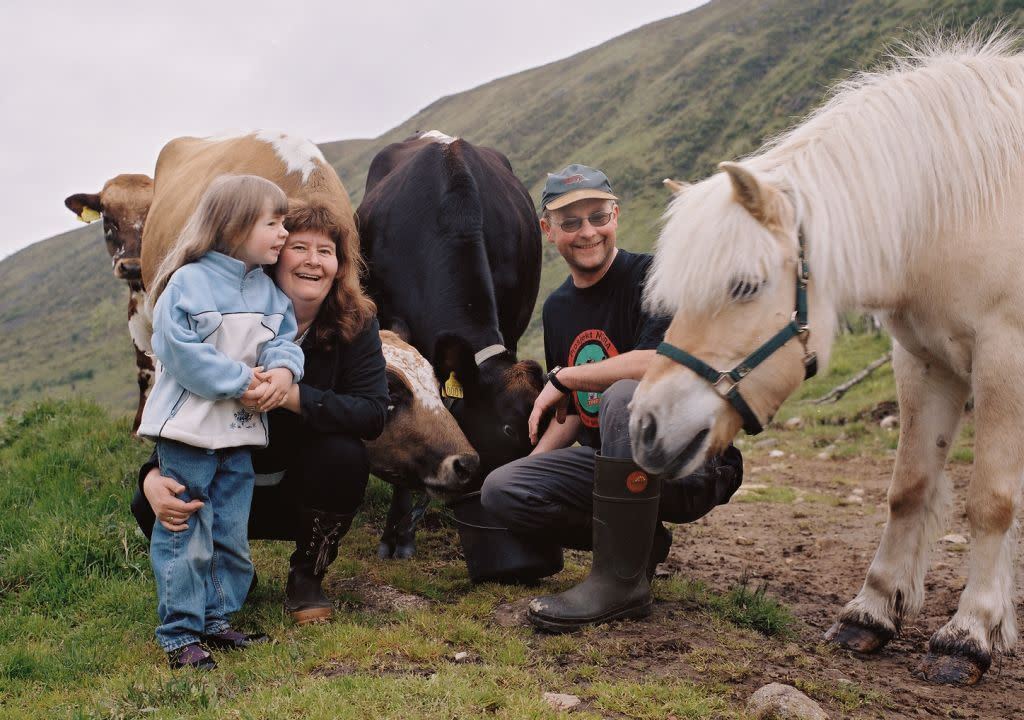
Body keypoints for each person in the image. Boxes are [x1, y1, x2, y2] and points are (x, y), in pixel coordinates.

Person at [479, 164, 743, 632]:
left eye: (598, 217)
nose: (587, 232)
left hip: (690, 461)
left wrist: (565, 376)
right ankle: (639, 548)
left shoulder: (655, 277)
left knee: (623, 394)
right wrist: (533, 469)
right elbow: (575, 409)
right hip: (613, 470)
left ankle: (621, 583)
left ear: (615, 216)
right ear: (548, 230)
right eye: (570, 222)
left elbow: (662, 362)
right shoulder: (558, 308)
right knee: (501, 489)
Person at [132, 197, 387, 651]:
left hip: (300, 488)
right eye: (299, 247)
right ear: (274, 255)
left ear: (340, 264)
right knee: (151, 501)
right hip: (225, 473)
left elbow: (372, 413)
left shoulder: (357, 322)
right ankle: (212, 597)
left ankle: (307, 574)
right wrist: (151, 475)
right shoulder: (233, 311)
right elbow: (188, 397)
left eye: (326, 251)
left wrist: (291, 395)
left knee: (345, 455)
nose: (312, 261)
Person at [137, 175, 306, 670]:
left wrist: (281, 372)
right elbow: (178, 351)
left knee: (230, 529)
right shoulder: (187, 282)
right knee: (185, 528)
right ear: (233, 226)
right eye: (273, 223)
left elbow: (284, 341)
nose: (283, 233)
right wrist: (240, 380)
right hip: (188, 433)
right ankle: (179, 632)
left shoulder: (269, 292)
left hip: (239, 433)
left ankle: (216, 616)